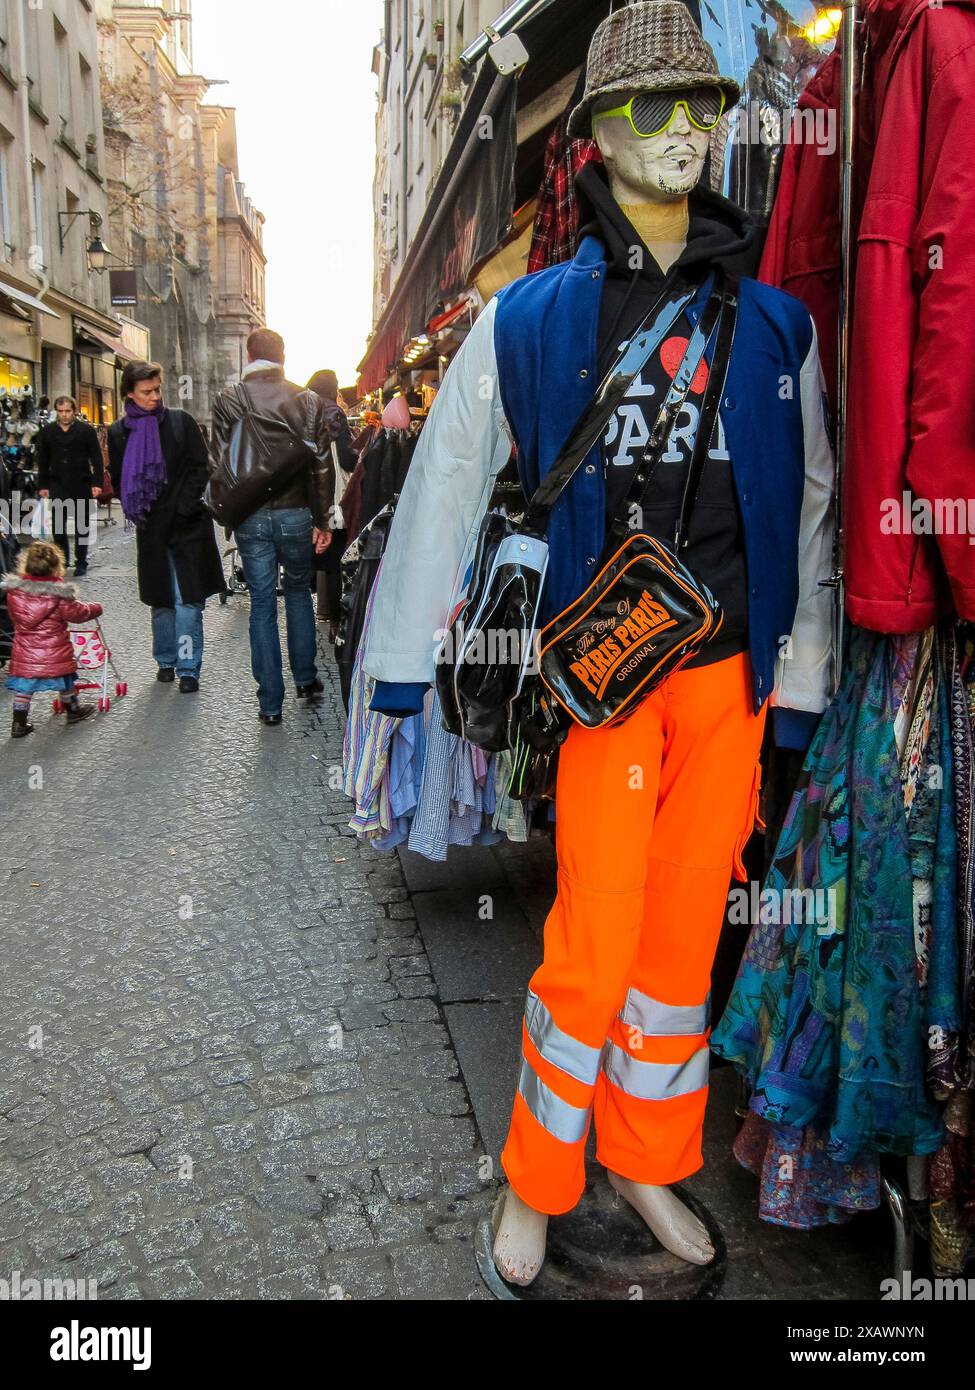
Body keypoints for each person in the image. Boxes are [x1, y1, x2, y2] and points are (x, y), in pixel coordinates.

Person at [363, 1, 835, 1286]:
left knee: (683, 949)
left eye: (702, 105)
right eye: (647, 106)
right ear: (595, 134)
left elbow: (813, 508)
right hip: (609, 681)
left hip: (729, 682)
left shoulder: (780, 327)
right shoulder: (530, 322)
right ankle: (538, 1174)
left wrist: (799, 683)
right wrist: (399, 663)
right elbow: (447, 486)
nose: (681, 130)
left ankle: (645, 1150)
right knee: (589, 942)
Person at [209, 329, 334, 726]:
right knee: (298, 592)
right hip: (297, 512)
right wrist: (322, 519)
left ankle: (270, 704)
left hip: (251, 516)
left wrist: (230, 512)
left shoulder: (230, 398)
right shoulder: (308, 400)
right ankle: (306, 679)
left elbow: (219, 462)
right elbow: (321, 465)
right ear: (283, 356)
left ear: (249, 354)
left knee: (262, 603)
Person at [107, 361, 225, 694]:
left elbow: (202, 467)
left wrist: (184, 507)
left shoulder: (180, 422)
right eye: (147, 392)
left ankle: (189, 667)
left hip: (187, 526)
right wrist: (140, 508)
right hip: (151, 529)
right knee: (161, 602)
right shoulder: (118, 433)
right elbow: (119, 479)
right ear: (129, 393)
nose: (155, 397)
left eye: (158, 389)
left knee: (187, 600)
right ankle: (166, 661)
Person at [3, 539, 102, 737]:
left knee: (24, 688)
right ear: (56, 567)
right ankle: (73, 710)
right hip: (55, 651)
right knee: (66, 681)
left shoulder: (15, 593)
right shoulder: (59, 595)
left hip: (26, 653)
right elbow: (78, 614)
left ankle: (18, 723)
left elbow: (15, 618)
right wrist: (96, 608)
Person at [306, 369, 357, 642]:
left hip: (308, 496)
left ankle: (309, 617)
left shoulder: (304, 409)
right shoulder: (336, 413)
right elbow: (347, 459)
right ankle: (337, 620)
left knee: (309, 560)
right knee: (337, 558)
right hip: (334, 498)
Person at [35, 395, 103, 578]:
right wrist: (43, 484)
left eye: (67, 411)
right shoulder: (48, 431)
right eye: (61, 411)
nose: (64, 415)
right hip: (58, 483)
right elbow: (43, 459)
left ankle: (81, 562)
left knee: (82, 525)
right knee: (58, 526)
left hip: (81, 483)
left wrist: (97, 482)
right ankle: (62, 560)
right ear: (56, 411)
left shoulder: (86, 431)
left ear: (74, 411)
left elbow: (96, 457)